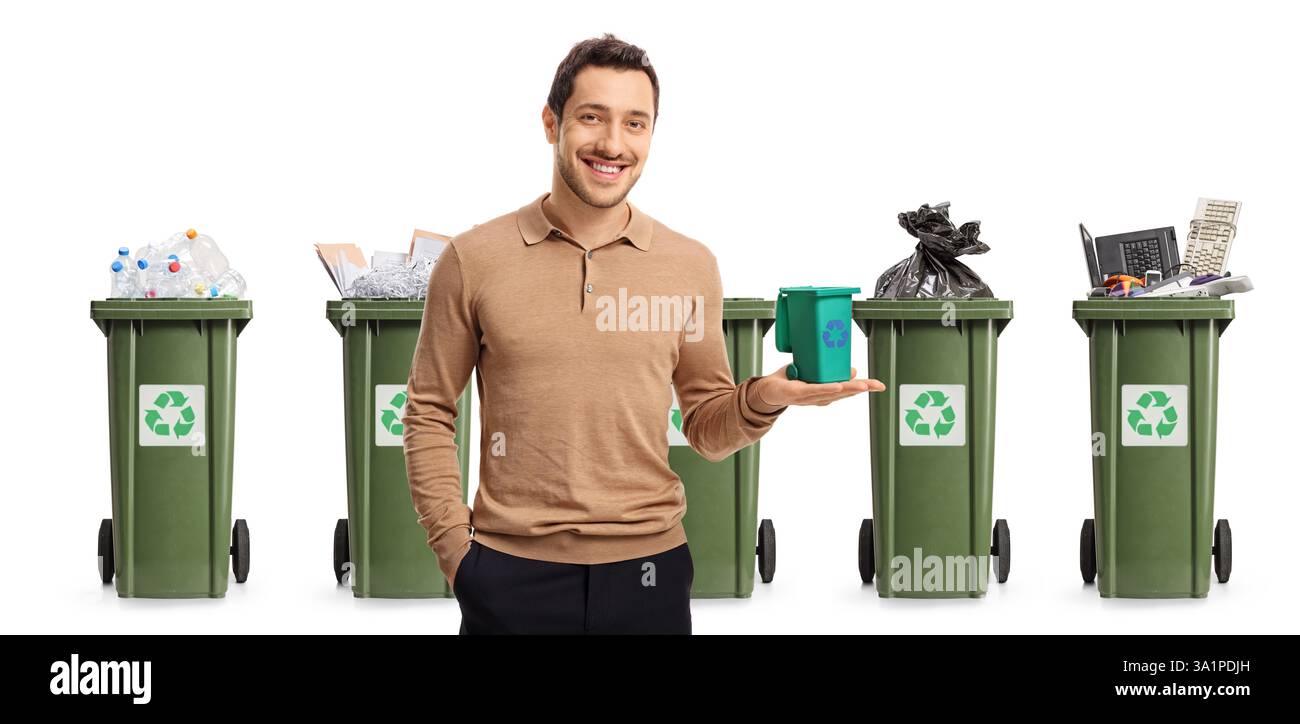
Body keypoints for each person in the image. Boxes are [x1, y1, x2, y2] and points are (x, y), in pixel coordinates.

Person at [404, 33, 883, 635]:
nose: (612, 143)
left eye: (636, 123)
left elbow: (706, 426)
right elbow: (427, 410)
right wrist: (456, 551)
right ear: (552, 124)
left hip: (649, 574)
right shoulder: (474, 259)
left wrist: (764, 398)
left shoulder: (688, 264)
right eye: (591, 118)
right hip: (508, 573)